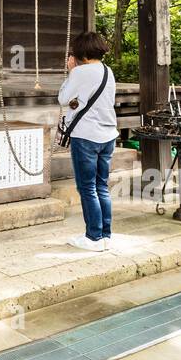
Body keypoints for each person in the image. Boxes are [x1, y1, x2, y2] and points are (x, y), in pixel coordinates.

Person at [59, 31, 117, 252]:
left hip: (86, 136)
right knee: (102, 186)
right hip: (108, 135)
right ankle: (105, 235)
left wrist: (71, 72)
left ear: (81, 52)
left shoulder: (80, 72)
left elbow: (62, 98)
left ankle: (93, 237)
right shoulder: (107, 71)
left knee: (87, 188)